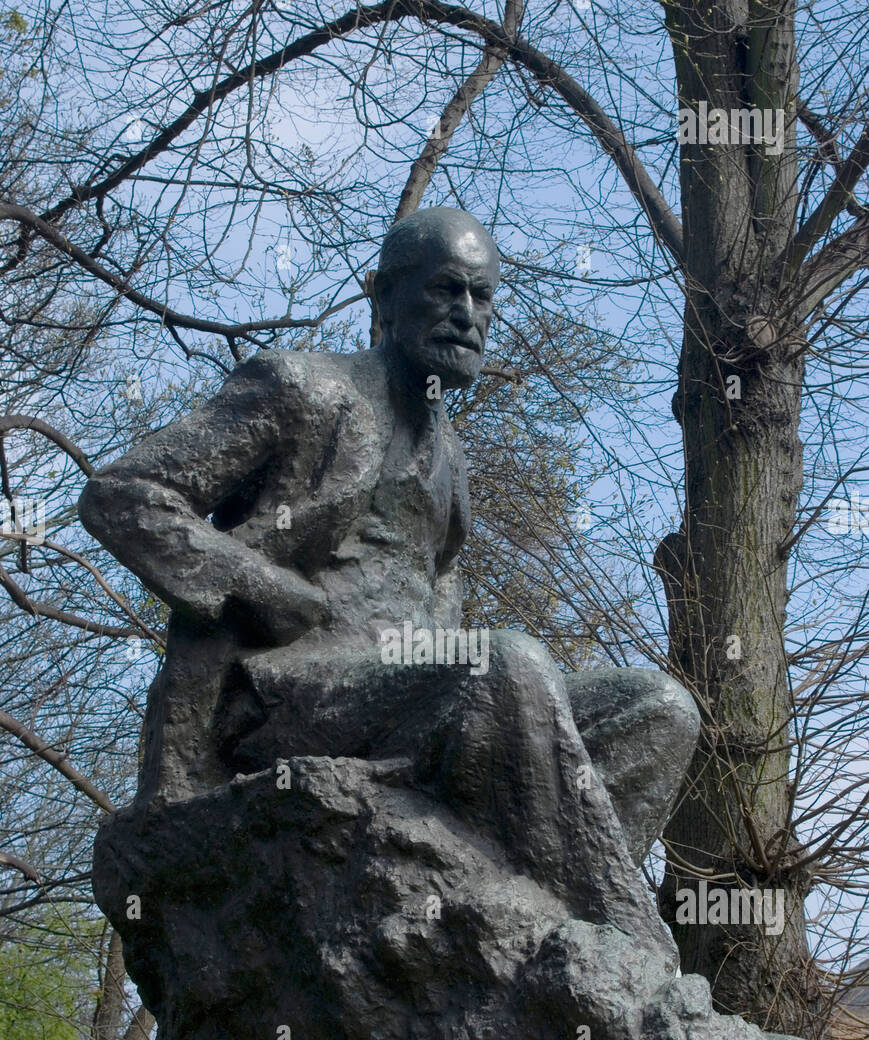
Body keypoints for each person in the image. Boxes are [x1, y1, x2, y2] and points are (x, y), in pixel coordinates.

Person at [79, 206, 698, 922]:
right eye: (444, 289)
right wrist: (259, 585)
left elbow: (438, 592)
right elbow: (124, 494)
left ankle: (527, 922)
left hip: (411, 687)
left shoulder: (452, 460)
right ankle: (611, 932)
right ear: (384, 299)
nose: (466, 313)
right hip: (289, 692)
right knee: (504, 664)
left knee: (658, 709)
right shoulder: (303, 388)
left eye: (482, 296)